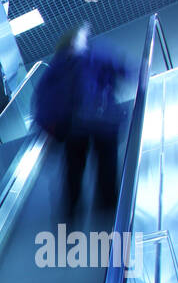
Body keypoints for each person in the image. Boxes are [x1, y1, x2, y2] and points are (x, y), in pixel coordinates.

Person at [34, 23, 128, 220]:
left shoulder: (55, 67)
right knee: (105, 163)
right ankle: (108, 205)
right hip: (102, 121)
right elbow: (121, 68)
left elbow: (41, 99)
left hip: (73, 127)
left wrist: (47, 127)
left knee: (74, 168)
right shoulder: (95, 55)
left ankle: (71, 210)